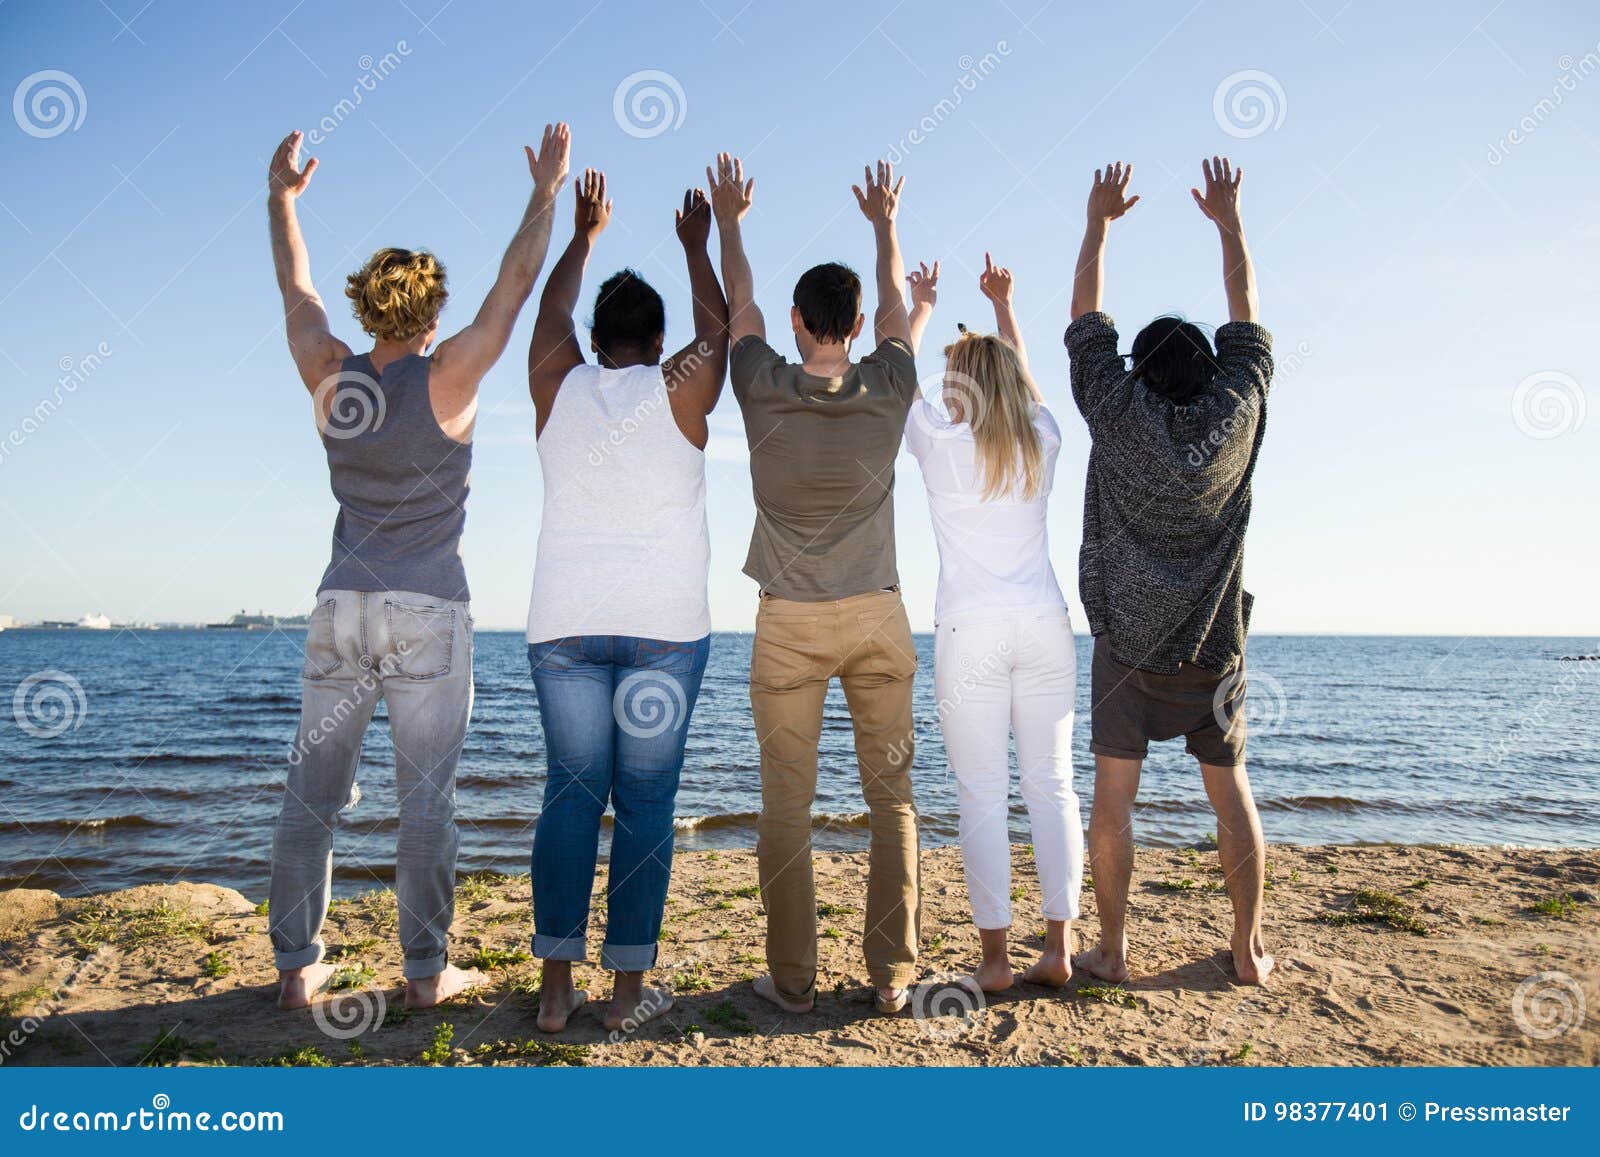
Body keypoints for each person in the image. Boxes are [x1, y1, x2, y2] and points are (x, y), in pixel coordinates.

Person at [265, 124, 571, 1009]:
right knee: (424, 798)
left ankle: (294, 971)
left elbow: (296, 289)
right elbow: (515, 288)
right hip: (428, 610)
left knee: (312, 789)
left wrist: (281, 197)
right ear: (434, 315)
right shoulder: (452, 376)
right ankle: (426, 974)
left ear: (367, 310)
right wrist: (546, 189)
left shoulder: (328, 371)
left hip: (341, 607)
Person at [710, 154, 921, 1015]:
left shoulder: (759, 384)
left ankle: (792, 983)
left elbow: (740, 305)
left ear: (799, 322)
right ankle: (891, 975)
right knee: (893, 799)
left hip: (790, 623)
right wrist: (885, 223)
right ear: (859, 323)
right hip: (878, 615)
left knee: (785, 809)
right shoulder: (892, 384)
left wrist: (730, 218)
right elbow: (902, 307)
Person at [523, 167, 728, 1032]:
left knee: (571, 795)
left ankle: (556, 986)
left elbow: (546, 316)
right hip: (663, 632)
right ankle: (628, 993)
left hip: (565, 624)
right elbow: (722, 329)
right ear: (655, 342)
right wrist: (697, 246)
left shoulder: (556, 384)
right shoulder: (679, 387)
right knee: (644, 804)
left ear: (596, 339)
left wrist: (584, 234)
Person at [1065, 158, 1276, 985]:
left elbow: (1086, 321)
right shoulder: (1238, 410)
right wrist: (1228, 219)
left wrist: (1098, 222)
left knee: (1114, 800)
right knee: (1232, 792)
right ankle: (1249, 949)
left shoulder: (1116, 411)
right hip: (1216, 648)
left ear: (1139, 371)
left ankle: (1113, 950)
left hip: (1127, 651)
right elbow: (1248, 320)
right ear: (1208, 371)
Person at [903, 254, 1084, 994]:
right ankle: (1061, 948)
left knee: (980, 790)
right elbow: (1029, 382)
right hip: (1045, 625)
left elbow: (892, 365)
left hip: (971, 634)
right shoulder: (1040, 438)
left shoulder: (939, 445)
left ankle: (996, 959)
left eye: (952, 382)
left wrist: (919, 305)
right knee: (1053, 784)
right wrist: (1005, 310)